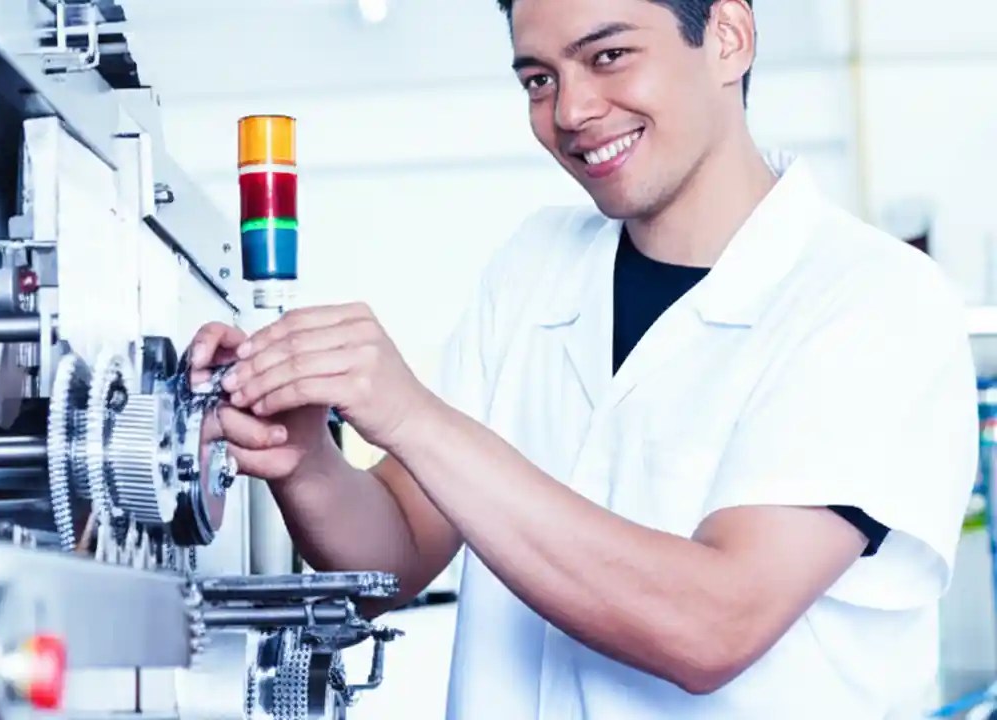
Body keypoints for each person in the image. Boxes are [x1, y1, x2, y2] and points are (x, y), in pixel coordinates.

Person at [187, 0, 979, 716]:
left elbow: (712, 624)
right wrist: (305, 462)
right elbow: (393, 555)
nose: (571, 111)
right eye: (538, 78)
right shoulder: (535, 267)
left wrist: (412, 416)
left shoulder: (873, 298)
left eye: (608, 56)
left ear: (729, 38)